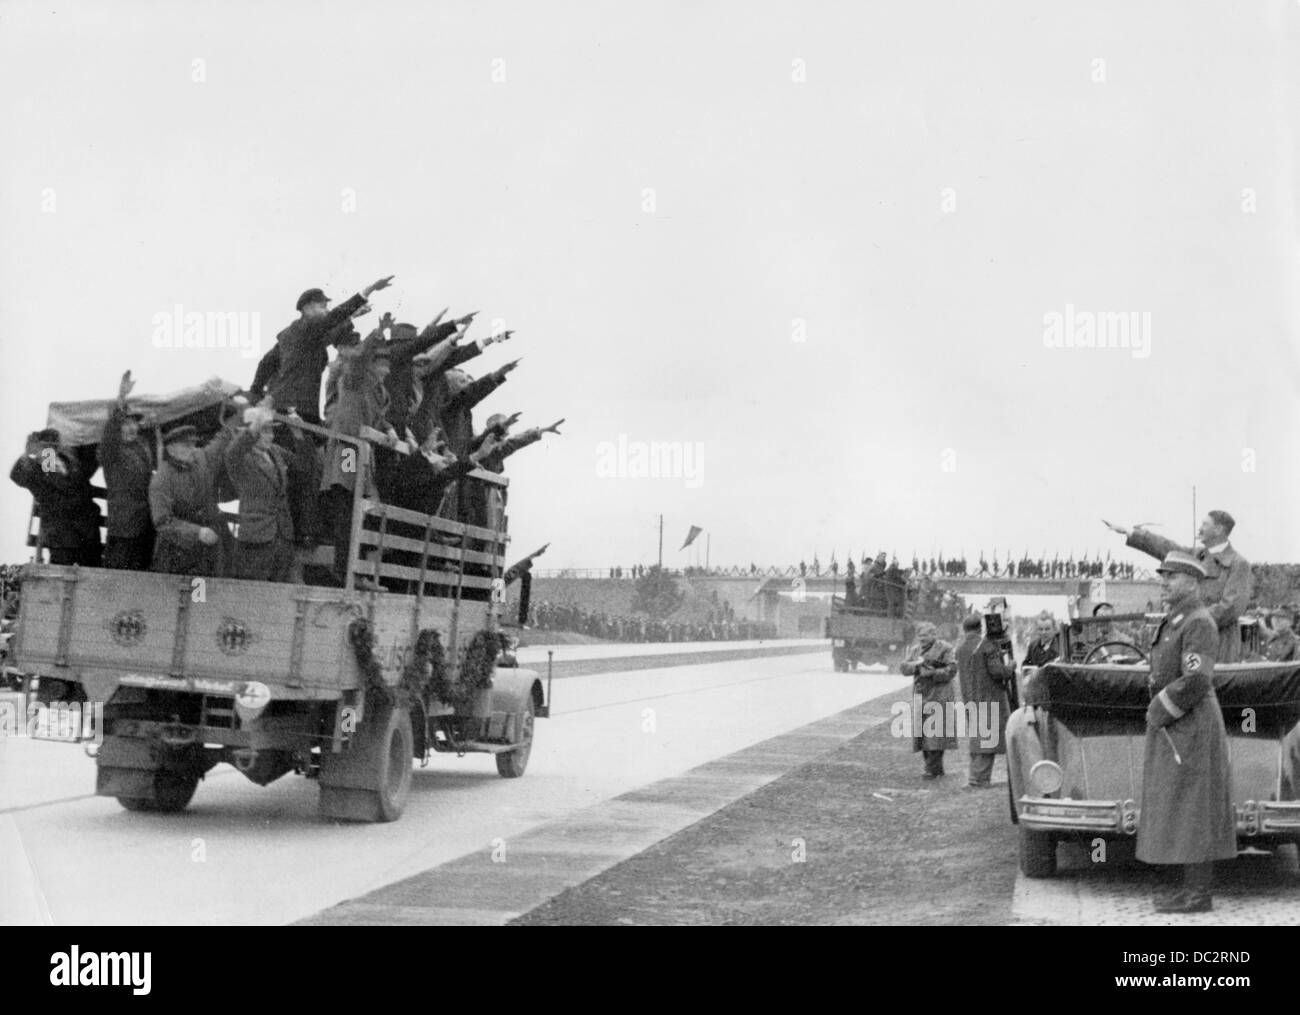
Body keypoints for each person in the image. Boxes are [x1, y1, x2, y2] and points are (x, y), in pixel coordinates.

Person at [1139, 550, 1236, 913]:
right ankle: (1189, 889)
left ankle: (1198, 894)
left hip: (1190, 721)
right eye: (1163, 576)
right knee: (1181, 806)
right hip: (1179, 721)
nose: (1164, 582)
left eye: (1171, 577)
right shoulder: (1178, 619)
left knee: (1194, 807)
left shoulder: (1197, 621)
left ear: (1193, 582)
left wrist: (1159, 710)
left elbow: (1196, 678)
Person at [1106, 511, 1251, 662]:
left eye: (1205, 524)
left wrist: (1193, 619)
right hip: (1187, 637)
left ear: (1219, 530)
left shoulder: (1238, 564)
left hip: (1218, 643)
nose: (1199, 529)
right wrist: (1132, 533)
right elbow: (1167, 548)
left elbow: (1231, 607)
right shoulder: (1198, 555)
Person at [320, 328, 397, 587]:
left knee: (360, 509)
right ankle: (344, 571)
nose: (386, 370)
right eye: (382, 364)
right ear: (371, 365)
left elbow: (378, 418)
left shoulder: (378, 391)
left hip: (363, 453)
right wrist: (376, 335)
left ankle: (358, 571)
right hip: (348, 448)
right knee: (346, 502)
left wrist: (389, 429)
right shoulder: (353, 379)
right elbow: (358, 359)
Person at [265, 276, 393, 426]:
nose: (327, 311)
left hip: (301, 409)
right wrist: (368, 291)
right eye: (323, 306)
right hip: (291, 409)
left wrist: (352, 315)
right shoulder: (304, 328)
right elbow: (333, 321)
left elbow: (329, 331)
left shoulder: (304, 334)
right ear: (307, 308)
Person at [149, 417, 238, 577]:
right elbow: (162, 522)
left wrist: (238, 417)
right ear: (171, 450)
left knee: (200, 594)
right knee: (177, 598)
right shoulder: (162, 479)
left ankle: (199, 601)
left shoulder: (199, 459)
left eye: (194, 444)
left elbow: (220, 442)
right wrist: (197, 532)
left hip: (202, 554)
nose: (193, 449)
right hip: (175, 555)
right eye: (187, 445)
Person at [224, 405, 303, 582]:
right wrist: (255, 426)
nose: (271, 436)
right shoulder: (240, 458)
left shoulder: (275, 452)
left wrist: (298, 434)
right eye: (264, 431)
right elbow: (233, 451)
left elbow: (303, 466)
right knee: (255, 595)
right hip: (256, 540)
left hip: (282, 538)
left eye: (271, 431)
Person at [10, 428, 103, 566]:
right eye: (46, 446)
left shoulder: (70, 463)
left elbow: (92, 455)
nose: (50, 449)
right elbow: (17, 475)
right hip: (62, 539)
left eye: (54, 444)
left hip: (88, 534)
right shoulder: (38, 471)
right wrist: (27, 453)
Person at [98, 370, 156, 570]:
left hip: (145, 524)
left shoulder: (140, 448)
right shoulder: (111, 451)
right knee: (118, 577)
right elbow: (110, 433)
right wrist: (121, 397)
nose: (131, 428)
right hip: (123, 528)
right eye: (125, 423)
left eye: (134, 423)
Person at [955, 613, 1015, 788]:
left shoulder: (961, 648)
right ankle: (980, 778)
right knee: (988, 739)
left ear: (964, 629)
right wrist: (1010, 666)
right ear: (980, 628)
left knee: (977, 737)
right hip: (989, 697)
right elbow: (998, 672)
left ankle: (975, 775)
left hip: (970, 698)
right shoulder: (987, 646)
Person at [899, 621, 958, 780]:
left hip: (939, 696)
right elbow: (904, 668)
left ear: (934, 635)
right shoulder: (915, 650)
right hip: (920, 695)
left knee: (936, 735)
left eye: (925, 635)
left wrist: (933, 673)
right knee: (922, 735)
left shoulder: (946, 648)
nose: (922, 639)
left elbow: (952, 670)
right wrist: (917, 667)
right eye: (920, 636)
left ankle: (932, 769)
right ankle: (934, 768)